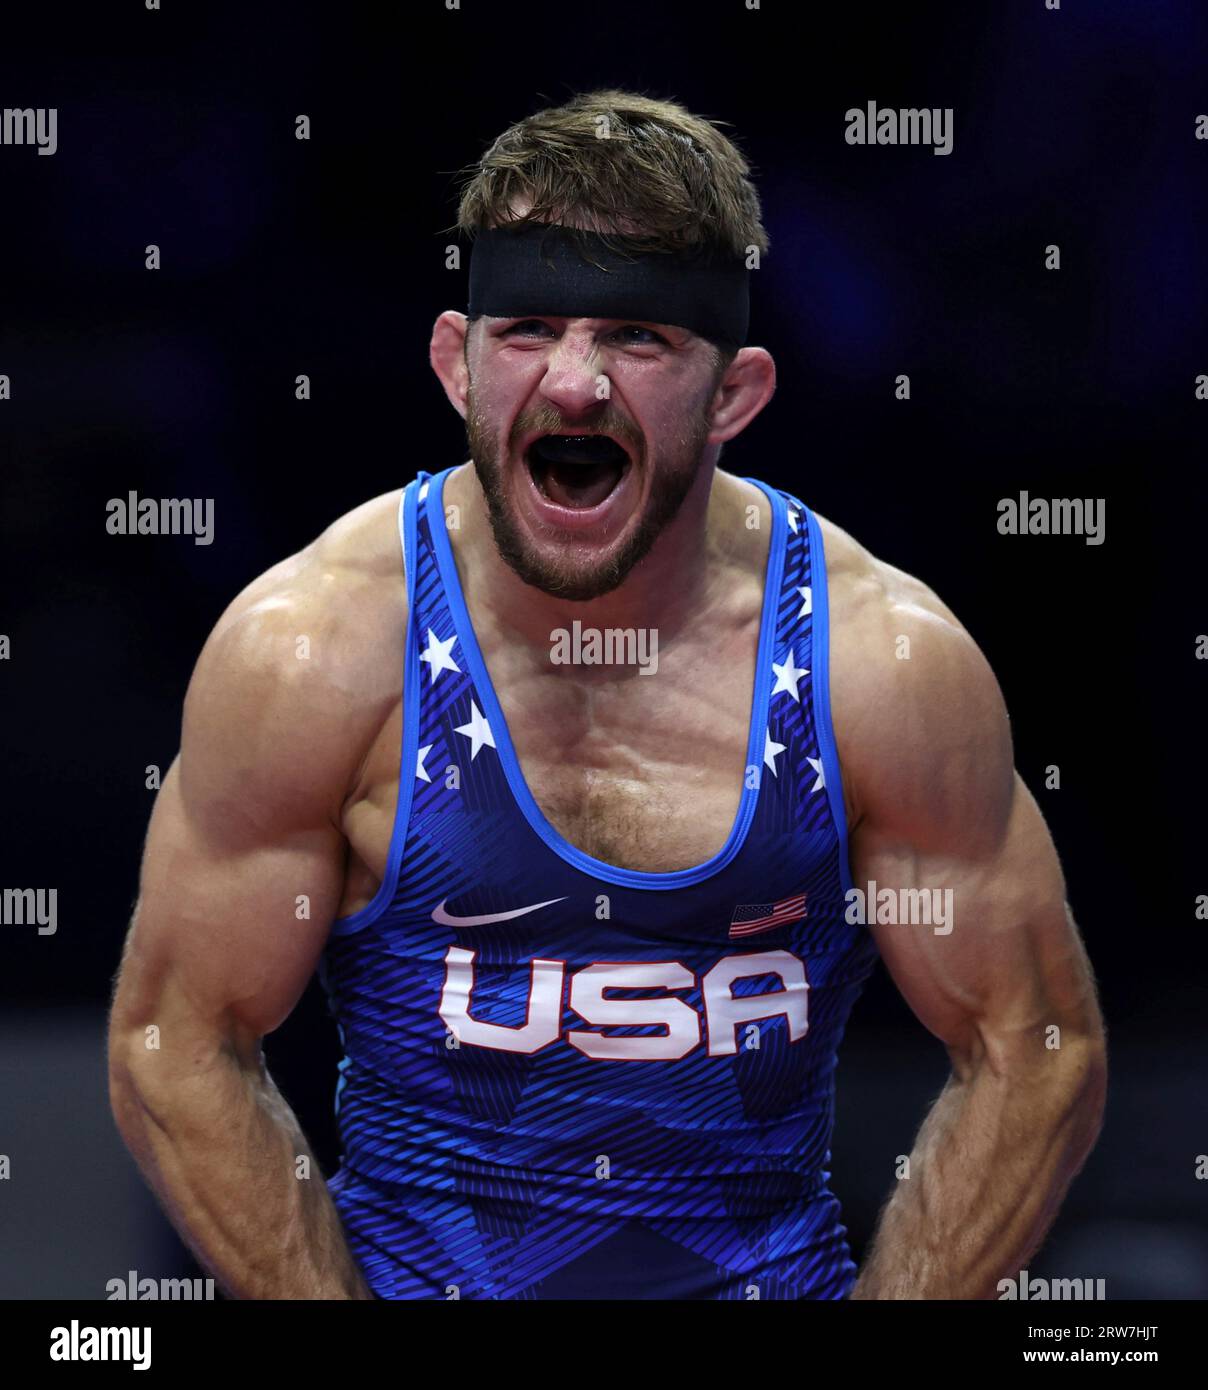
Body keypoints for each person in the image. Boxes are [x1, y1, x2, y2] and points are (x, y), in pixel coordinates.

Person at [108, 90, 1106, 1300]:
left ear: (733, 393)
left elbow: (1036, 1045)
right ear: (454, 365)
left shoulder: (878, 661)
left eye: (636, 339)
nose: (573, 386)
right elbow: (175, 1038)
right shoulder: (314, 647)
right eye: (525, 327)